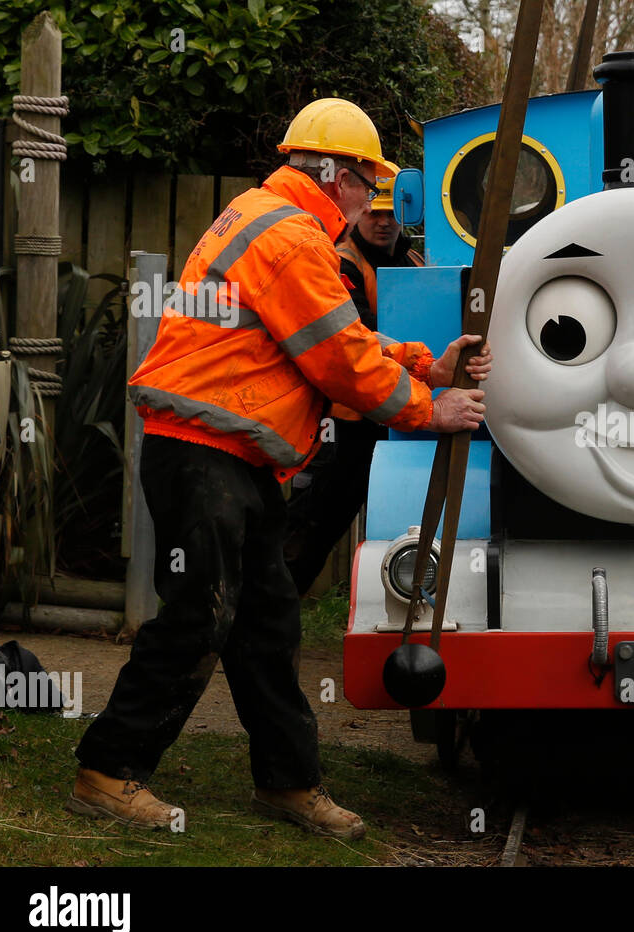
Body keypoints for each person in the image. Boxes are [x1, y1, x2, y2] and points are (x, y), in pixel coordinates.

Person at [69, 98, 489, 840]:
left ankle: (289, 786)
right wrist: (433, 407)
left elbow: (336, 335)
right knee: (203, 611)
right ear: (333, 174)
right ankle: (107, 771)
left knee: (266, 623)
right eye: (366, 182)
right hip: (204, 451)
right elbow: (341, 363)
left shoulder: (265, 220)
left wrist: (426, 362)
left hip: (225, 451)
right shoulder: (292, 238)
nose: (371, 200)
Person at [283, 177, 448, 595]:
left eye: (393, 214)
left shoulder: (413, 261)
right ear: (362, 211)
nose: (383, 221)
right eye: (375, 212)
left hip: (401, 411)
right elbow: (352, 341)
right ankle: (269, 610)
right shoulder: (341, 263)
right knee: (311, 523)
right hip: (347, 419)